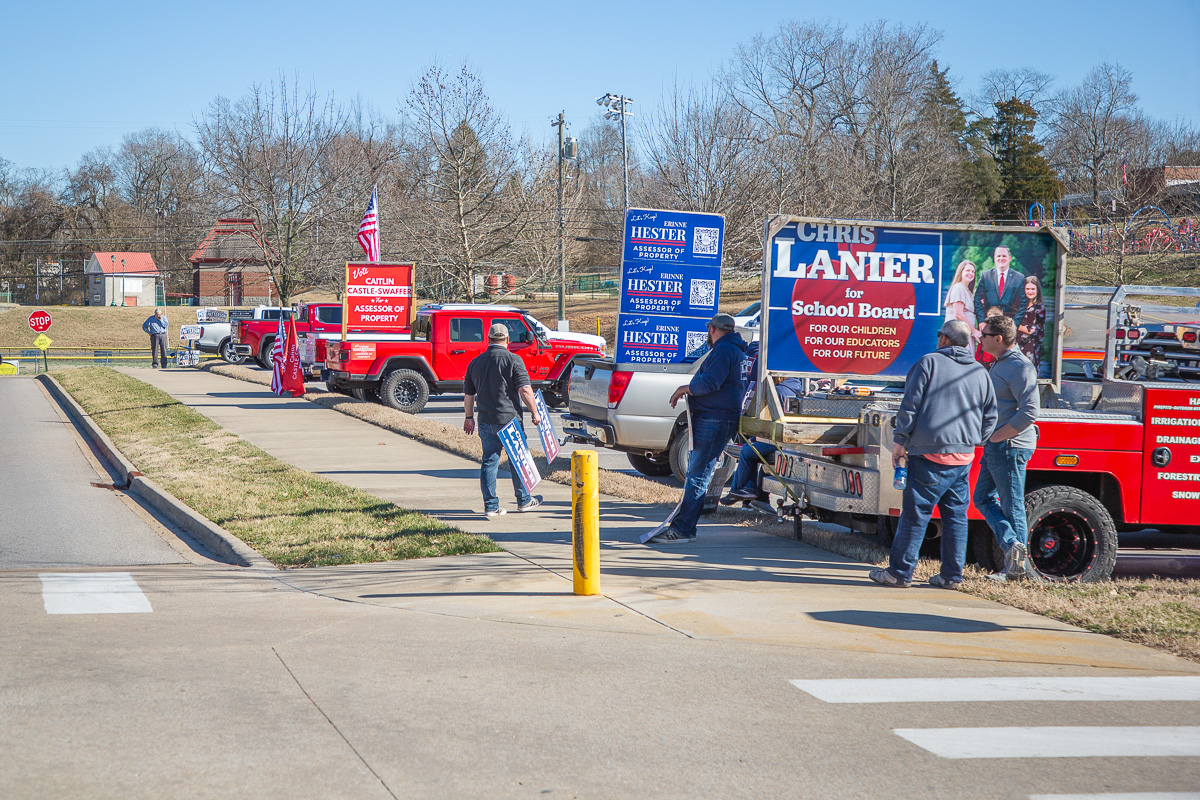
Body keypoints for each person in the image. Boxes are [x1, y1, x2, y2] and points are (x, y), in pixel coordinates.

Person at [869, 320, 997, 589]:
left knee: (916, 515)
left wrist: (900, 441)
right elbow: (991, 416)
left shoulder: (928, 363)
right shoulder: (980, 371)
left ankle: (899, 573)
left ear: (944, 340)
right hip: (963, 456)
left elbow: (910, 405)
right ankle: (952, 576)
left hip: (929, 454)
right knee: (955, 517)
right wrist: (974, 440)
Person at [649, 313, 750, 544]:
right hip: (717, 416)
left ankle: (683, 530)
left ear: (712, 329)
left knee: (697, 475)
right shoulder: (733, 349)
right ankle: (683, 526)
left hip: (715, 418)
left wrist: (684, 388)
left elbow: (709, 383)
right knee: (698, 474)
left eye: (708, 330)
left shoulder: (724, 350)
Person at [975, 313, 1041, 581]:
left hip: (1010, 447)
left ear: (998, 339)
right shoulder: (1001, 363)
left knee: (1012, 505)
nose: (981, 339)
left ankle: (1016, 569)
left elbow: (1029, 413)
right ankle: (1012, 544)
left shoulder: (1020, 367)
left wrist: (998, 437)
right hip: (998, 446)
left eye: (985, 335)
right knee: (981, 498)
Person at [463, 323, 543, 517]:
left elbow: (468, 395)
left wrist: (468, 418)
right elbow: (525, 390)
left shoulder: (475, 363)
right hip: (509, 420)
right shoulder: (514, 360)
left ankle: (491, 506)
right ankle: (524, 500)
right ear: (508, 340)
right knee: (517, 461)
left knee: (489, 461)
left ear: (489, 340)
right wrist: (535, 412)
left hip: (485, 419)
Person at [974, 245, 1027, 321]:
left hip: (1009, 324)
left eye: (1004, 256)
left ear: (1009, 258)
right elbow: (977, 299)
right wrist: (981, 321)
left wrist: (1014, 325)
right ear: (995, 258)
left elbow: (1022, 304)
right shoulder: (985, 276)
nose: (1001, 258)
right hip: (988, 323)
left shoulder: (1019, 278)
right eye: (998, 256)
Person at [1016, 276, 1046, 369]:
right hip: (1016, 345)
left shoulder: (1039, 308)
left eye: (1033, 289)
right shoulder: (1020, 305)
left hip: (1030, 346)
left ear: (1038, 290)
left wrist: (1017, 326)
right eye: (1027, 289)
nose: (1030, 292)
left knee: (1028, 371)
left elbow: (1034, 330)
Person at [943, 260, 978, 335]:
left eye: (973, 271)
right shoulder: (958, 288)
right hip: (957, 334)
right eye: (967, 270)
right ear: (961, 272)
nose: (971, 273)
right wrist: (974, 331)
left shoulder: (968, 291)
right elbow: (958, 314)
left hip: (965, 333)